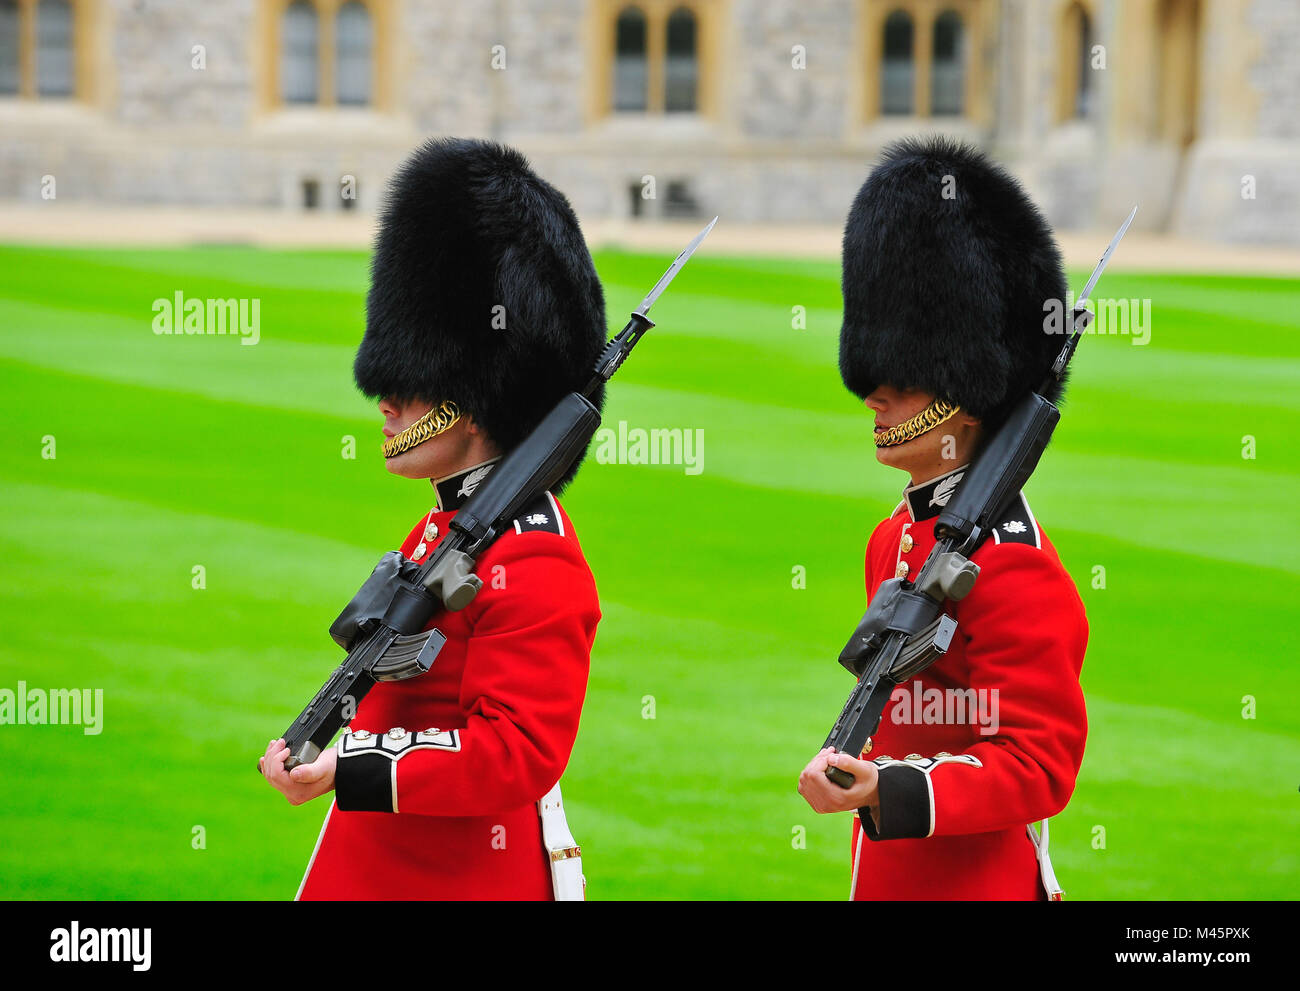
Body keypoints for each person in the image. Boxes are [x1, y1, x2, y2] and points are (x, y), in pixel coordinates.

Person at [259, 137, 607, 900]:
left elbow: (515, 751)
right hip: (380, 860)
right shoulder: (441, 530)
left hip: (463, 875)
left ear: (475, 395)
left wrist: (347, 769)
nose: (387, 404)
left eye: (413, 384)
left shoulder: (534, 555)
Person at [797, 136, 1089, 900]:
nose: (875, 396)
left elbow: (1037, 762)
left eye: (905, 378)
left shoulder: (1013, 561)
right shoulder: (894, 535)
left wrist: (890, 788)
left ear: (966, 384)